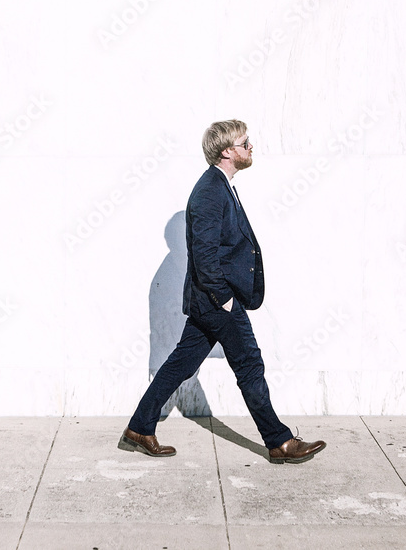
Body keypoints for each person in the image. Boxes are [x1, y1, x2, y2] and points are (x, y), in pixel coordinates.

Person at [119, 119, 326, 464]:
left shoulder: (221, 185)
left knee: (180, 364)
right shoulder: (209, 192)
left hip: (210, 301)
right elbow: (204, 256)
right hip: (217, 301)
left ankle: (140, 427)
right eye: (245, 143)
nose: (250, 147)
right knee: (248, 365)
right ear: (227, 151)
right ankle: (279, 442)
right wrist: (225, 299)